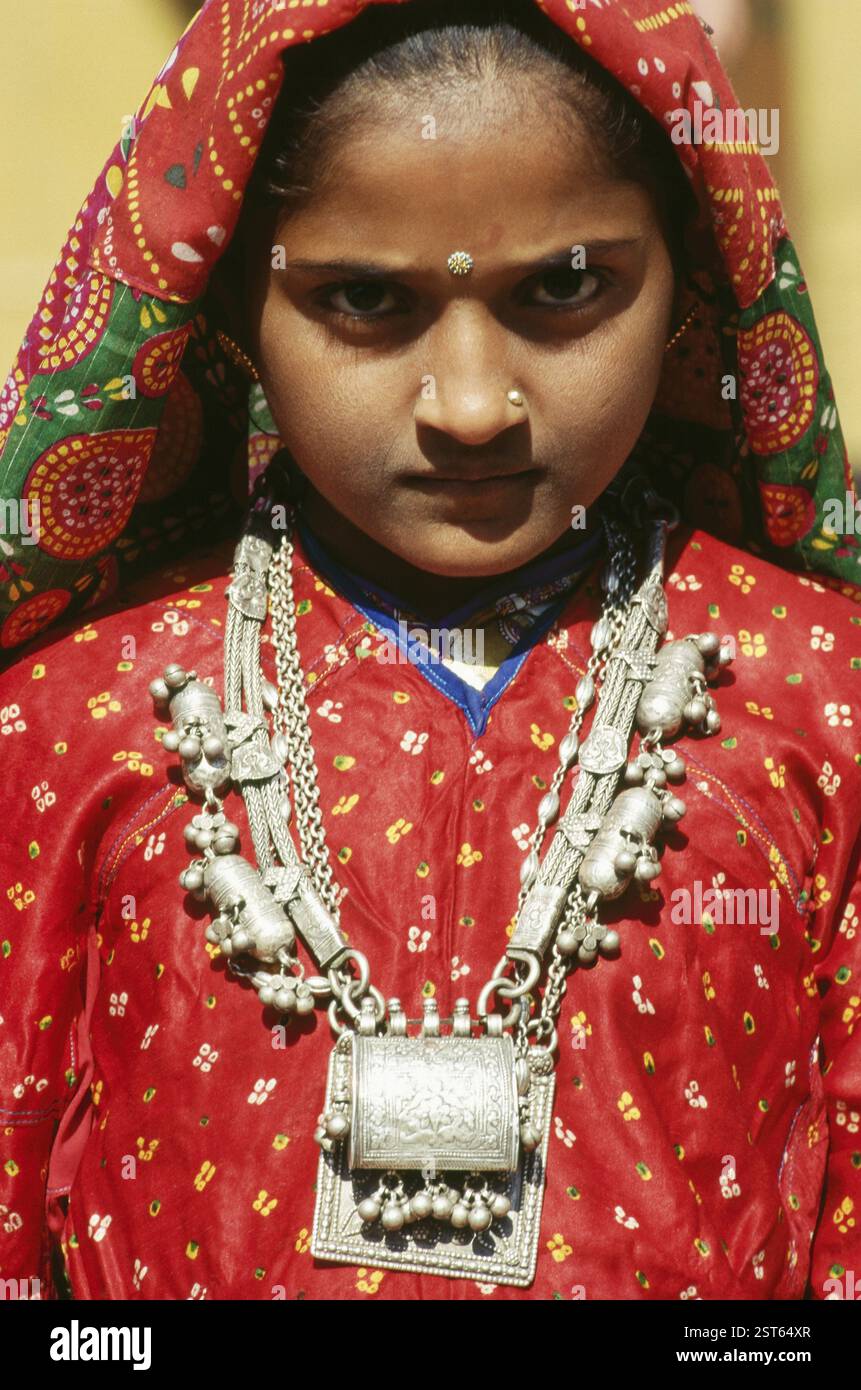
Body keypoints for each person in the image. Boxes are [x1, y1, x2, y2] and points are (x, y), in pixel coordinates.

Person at [0, 0, 859, 1302]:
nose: (470, 404)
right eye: (364, 300)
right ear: (231, 292)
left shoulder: (817, 698)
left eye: (564, 289)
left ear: (692, 275)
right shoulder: (76, 722)